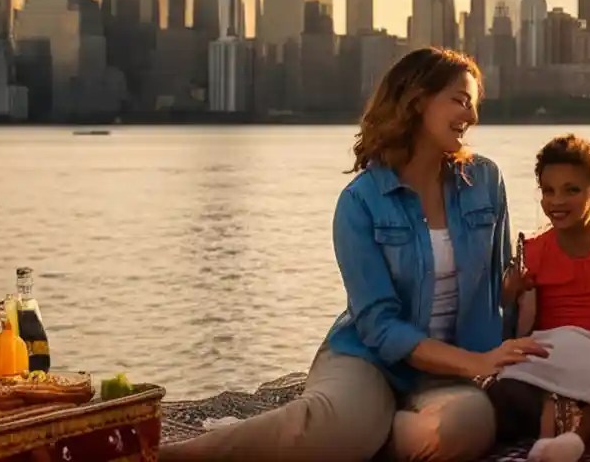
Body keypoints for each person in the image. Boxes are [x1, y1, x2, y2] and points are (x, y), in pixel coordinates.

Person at [161, 47, 547, 462]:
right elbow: (380, 327)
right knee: (331, 424)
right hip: (369, 357)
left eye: (473, 103)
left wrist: (516, 295)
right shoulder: (360, 201)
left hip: (451, 369)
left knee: (466, 428)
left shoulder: (485, 181)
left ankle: (372, 437)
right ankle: (169, 455)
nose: (471, 116)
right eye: (459, 99)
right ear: (417, 101)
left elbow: (495, 281)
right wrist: (475, 361)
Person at [485, 135, 590, 462]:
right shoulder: (533, 250)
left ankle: (575, 435)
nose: (556, 201)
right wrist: (511, 290)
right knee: (503, 392)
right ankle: (559, 410)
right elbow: (510, 316)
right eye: (548, 191)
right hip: (549, 350)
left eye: (571, 190)